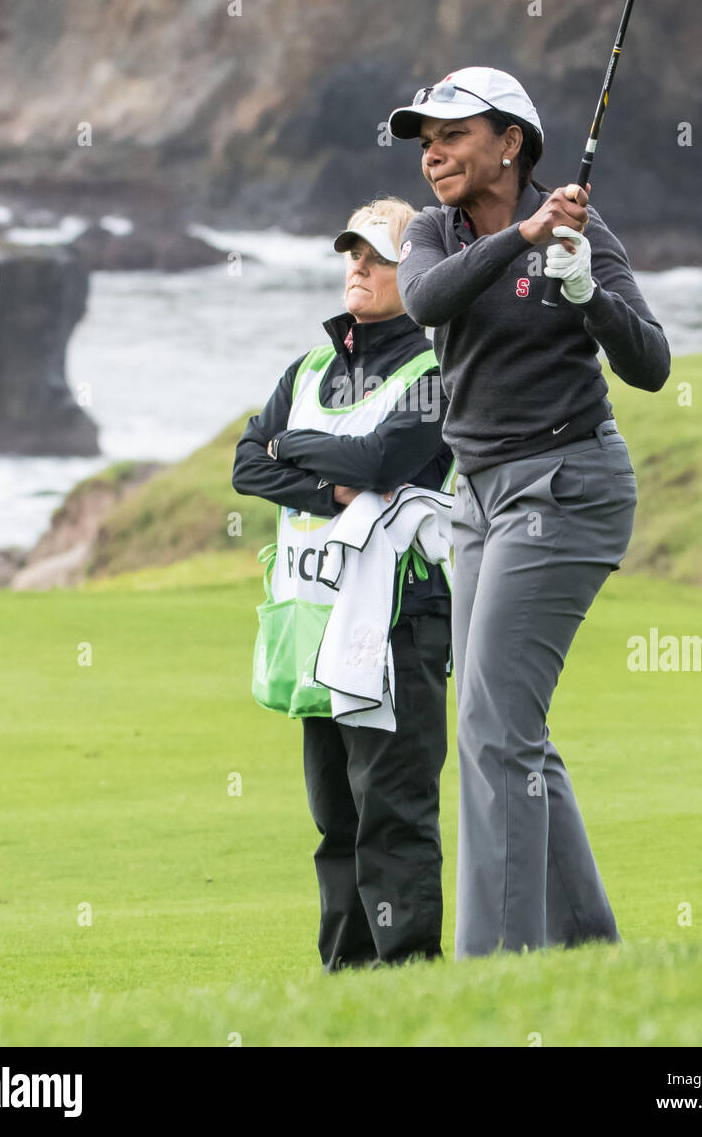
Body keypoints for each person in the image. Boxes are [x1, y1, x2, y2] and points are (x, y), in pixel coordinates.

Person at [387, 67, 671, 960]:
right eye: (424, 139)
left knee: (492, 725)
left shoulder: (583, 233)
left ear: (510, 142)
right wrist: (523, 235)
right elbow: (424, 299)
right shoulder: (435, 232)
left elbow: (653, 362)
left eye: (453, 133)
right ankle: (588, 947)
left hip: (565, 487)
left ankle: (494, 970)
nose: (433, 153)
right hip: (479, 499)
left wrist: (588, 295)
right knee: (507, 728)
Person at [232, 197, 455, 971]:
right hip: (317, 621)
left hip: (398, 623)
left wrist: (296, 447)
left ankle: (408, 979)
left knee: (391, 813)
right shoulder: (310, 368)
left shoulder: (436, 370)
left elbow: (381, 465)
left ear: (417, 274)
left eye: (378, 256)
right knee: (336, 818)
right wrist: (327, 484)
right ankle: (348, 984)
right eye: (352, 253)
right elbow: (246, 465)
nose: (357, 266)